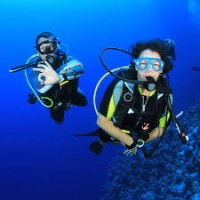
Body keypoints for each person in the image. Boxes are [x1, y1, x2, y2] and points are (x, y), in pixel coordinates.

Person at [76, 38, 175, 156]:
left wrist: (140, 142)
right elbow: (102, 121)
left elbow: (162, 128)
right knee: (106, 137)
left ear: (162, 70)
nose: (149, 68)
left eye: (156, 64)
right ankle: (101, 143)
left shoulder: (165, 95)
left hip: (141, 132)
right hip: (116, 126)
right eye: (143, 63)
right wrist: (128, 141)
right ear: (136, 66)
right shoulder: (121, 86)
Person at [27, 32, 87, 124]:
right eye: (42, 48)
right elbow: (41, 88)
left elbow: (80, 68)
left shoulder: (66, 58)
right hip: (53, 101)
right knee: (58, 120)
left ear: (56, 46)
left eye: (50, 47)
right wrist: (64, 71)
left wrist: (60, 77)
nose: (47, 52)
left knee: (84, 103)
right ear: (37, 51)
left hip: (71, 93)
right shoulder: (36, 67)